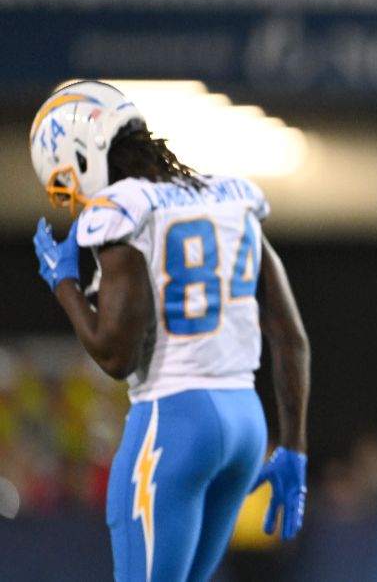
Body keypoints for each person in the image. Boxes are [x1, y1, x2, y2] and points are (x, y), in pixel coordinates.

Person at [30, 81, 310, 581]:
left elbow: (115, 356)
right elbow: (290, 335)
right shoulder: (231, 196)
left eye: (66, 184)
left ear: (83, 155)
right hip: (246, 422)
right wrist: (294, 445)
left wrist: (64, 284)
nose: (74, 201)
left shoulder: (122, 209)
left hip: (174, 421)